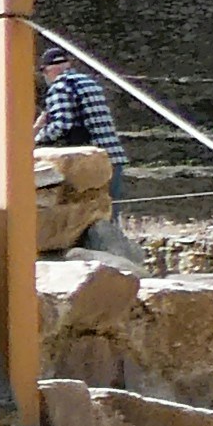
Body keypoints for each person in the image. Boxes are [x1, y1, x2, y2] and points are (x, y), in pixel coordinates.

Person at [35, 46, 137, 264]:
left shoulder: (61, 87)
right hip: (113, 157)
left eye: (43, 72)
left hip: (93, 166)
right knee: (109, 222)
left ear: (48, 70)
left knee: (90, 225)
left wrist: (34, 140)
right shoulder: (88, 82)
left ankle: (106, 271)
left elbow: (62, 125)